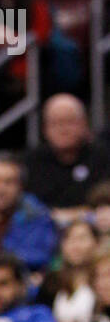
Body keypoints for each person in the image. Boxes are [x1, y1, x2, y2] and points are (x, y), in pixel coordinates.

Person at [24, 96, 110, 225]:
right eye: (56, 123)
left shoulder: (103, 156)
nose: (63, 129)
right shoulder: (31, 161)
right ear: (44, 129)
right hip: (43, 230)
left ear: (85, 124)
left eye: (70, 122)